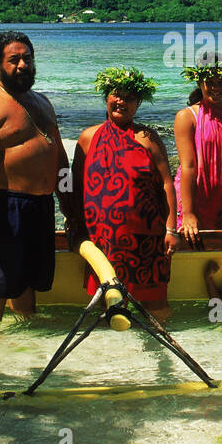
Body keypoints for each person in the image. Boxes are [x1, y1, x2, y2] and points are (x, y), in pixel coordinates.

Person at [0, 31, 81, 329]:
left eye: (27, 58)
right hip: (3, 205)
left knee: (28, 280)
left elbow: (60, 160)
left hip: (40, 205)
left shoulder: (41, 102)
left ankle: (26, 337)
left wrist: (68, 206)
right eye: (14, 60)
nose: (23, 65)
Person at [73, 67, 179, 317]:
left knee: (156, 307)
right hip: (103, 238)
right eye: (116, 94)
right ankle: (115, 355)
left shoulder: (147, 137)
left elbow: (167, 183)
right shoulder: (88, 138)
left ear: (138, 102)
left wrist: (171, 228)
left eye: (129, 97)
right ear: (106, 97)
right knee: (106, 302)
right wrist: (74, 223)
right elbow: (74, 186)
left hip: (147, 240)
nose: (121, 101)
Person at [173, 54, 222, 245]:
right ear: (199, 81)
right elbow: (188, 167)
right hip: (195, 201)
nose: (217, 88)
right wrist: (189, 213)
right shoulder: (187, 116)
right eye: (211, 82)